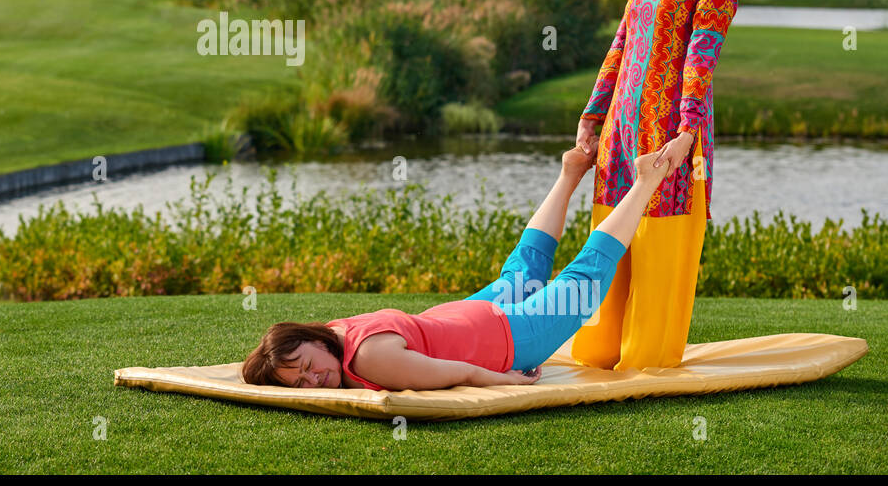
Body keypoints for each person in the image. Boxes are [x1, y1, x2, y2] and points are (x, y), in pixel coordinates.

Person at [240, 144, 673, 391]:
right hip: (462, 315)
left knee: (583, 282)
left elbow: (460, 373)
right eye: (299, 384)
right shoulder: (337, 330)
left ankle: (646, 182)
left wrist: (511, 382)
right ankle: (570, 173)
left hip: (505, 339)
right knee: (525, 269)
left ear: (309, 340)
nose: (314, 380)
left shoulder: (369, 360)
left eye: (306, 365)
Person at [572, 0, 738, 371]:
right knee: (610, 242)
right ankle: (598, 352)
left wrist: (687, 132)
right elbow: (619, 48)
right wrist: (592, 115)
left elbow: (698, 64)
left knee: (660, 248)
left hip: (668, 137)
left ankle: (647, 359)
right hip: (620, 132)